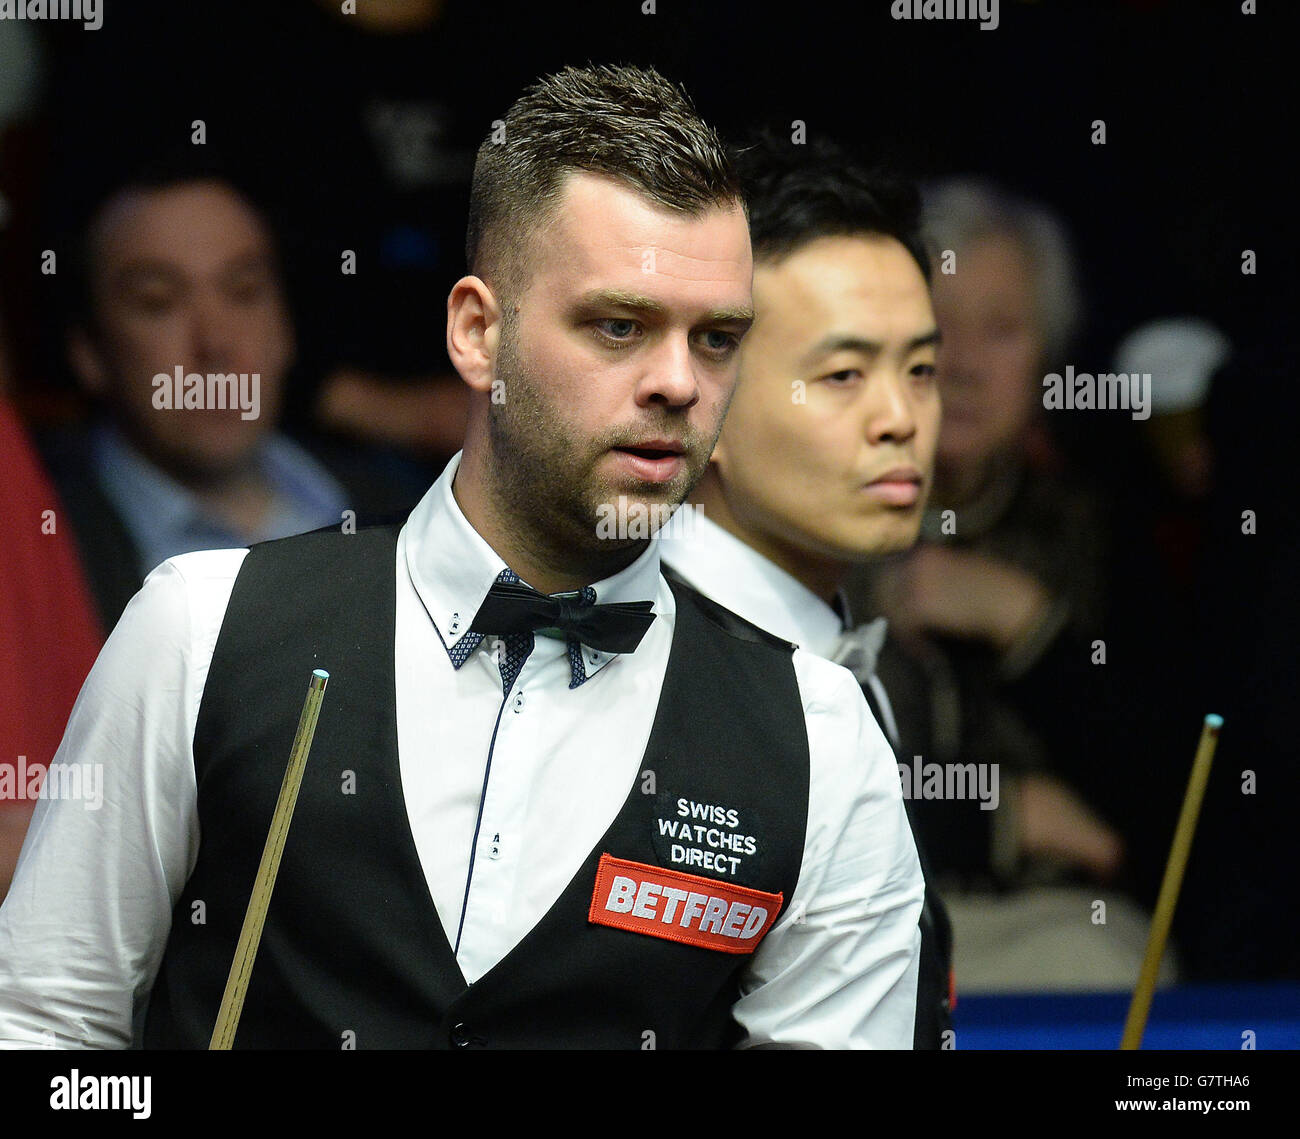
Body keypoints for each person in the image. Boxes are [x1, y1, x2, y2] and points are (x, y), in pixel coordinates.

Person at [0, 64, 924, 1050]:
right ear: (477, 332)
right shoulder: (203, 629)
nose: (675, 381)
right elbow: (46, 1027)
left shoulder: (818, 740)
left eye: (718, 338)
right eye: (619, 324)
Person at [659, 132, 957, 1047]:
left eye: (921, 370)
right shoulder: (654, 668)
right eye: (843, 376)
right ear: (705, 398)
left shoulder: (834, 653)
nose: (899, 419)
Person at [39, 164, 418, 633]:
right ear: (89, 351)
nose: (215, 343)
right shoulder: (37, 552)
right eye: (158, 302)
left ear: (285, 328)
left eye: (244, 292)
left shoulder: (407, 514)